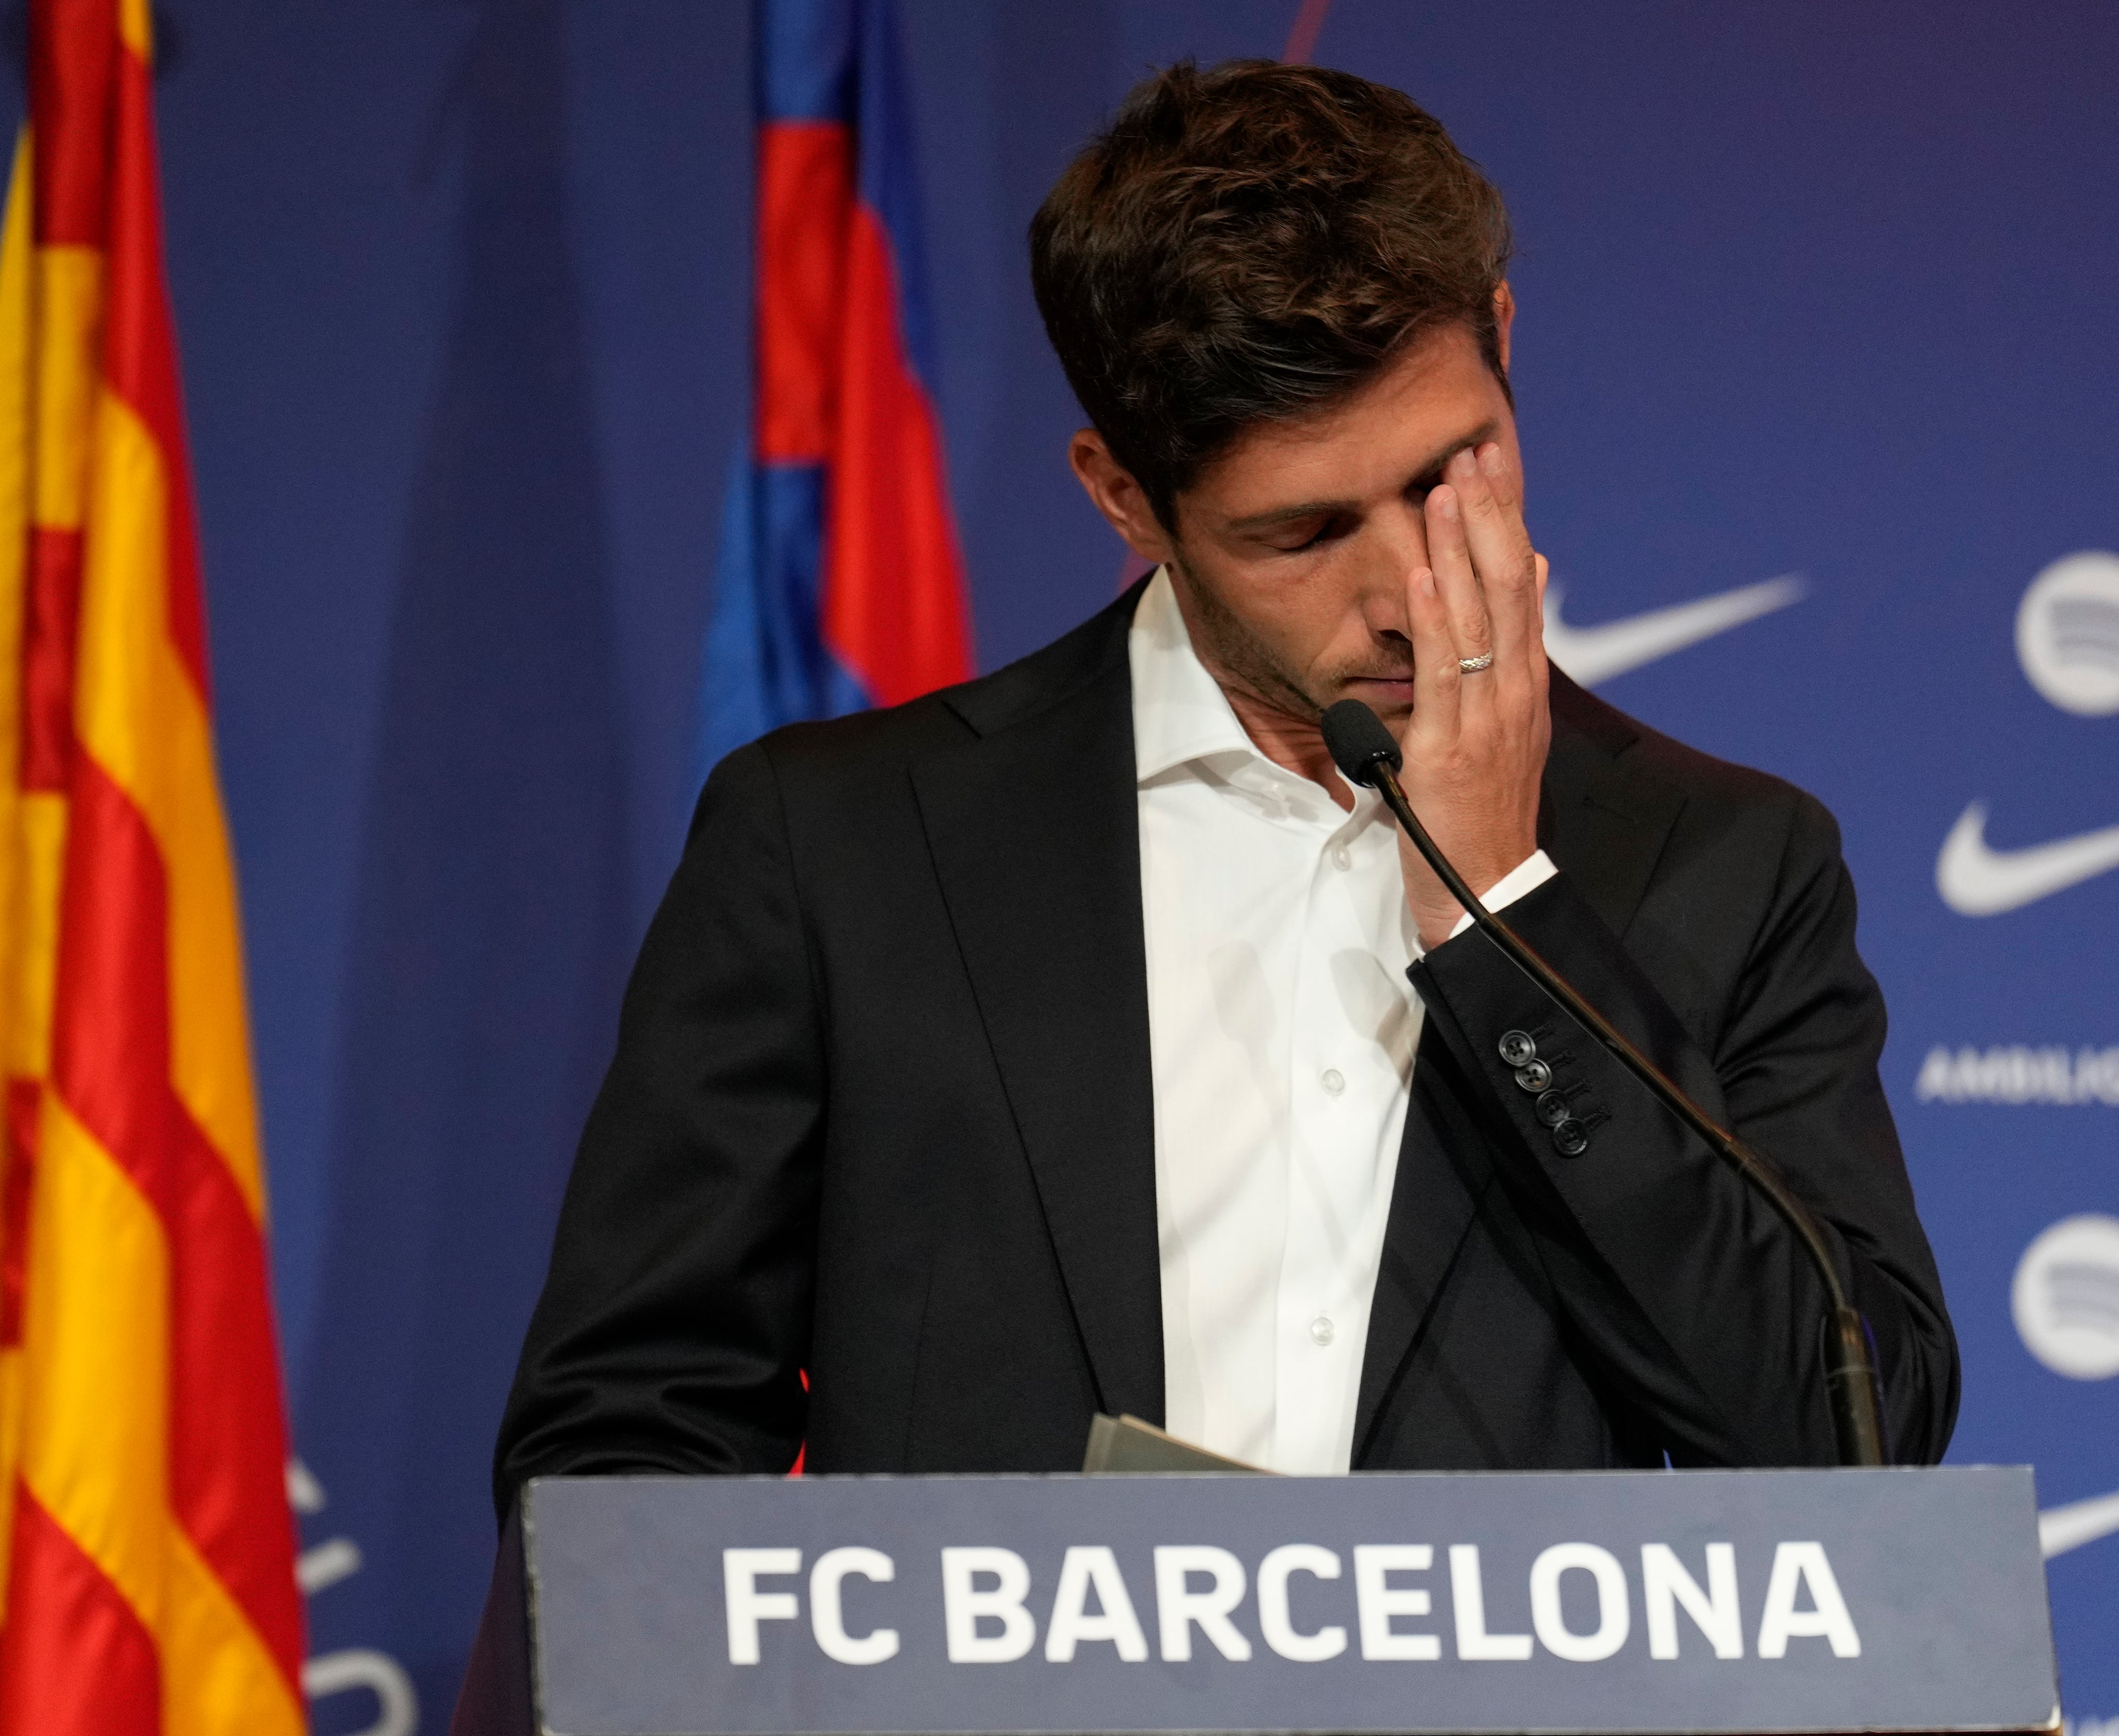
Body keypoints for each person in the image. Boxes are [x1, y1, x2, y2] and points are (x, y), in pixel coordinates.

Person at [491, 60, 1956, 1507]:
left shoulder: (1728, 862)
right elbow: (625, 1452)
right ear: (1124, 496)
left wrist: (1507, 911)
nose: (1406, 592)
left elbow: (1849, 1437)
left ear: (1503, 338)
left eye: (1455, 470)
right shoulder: (840, 848)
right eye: (1304, 532)